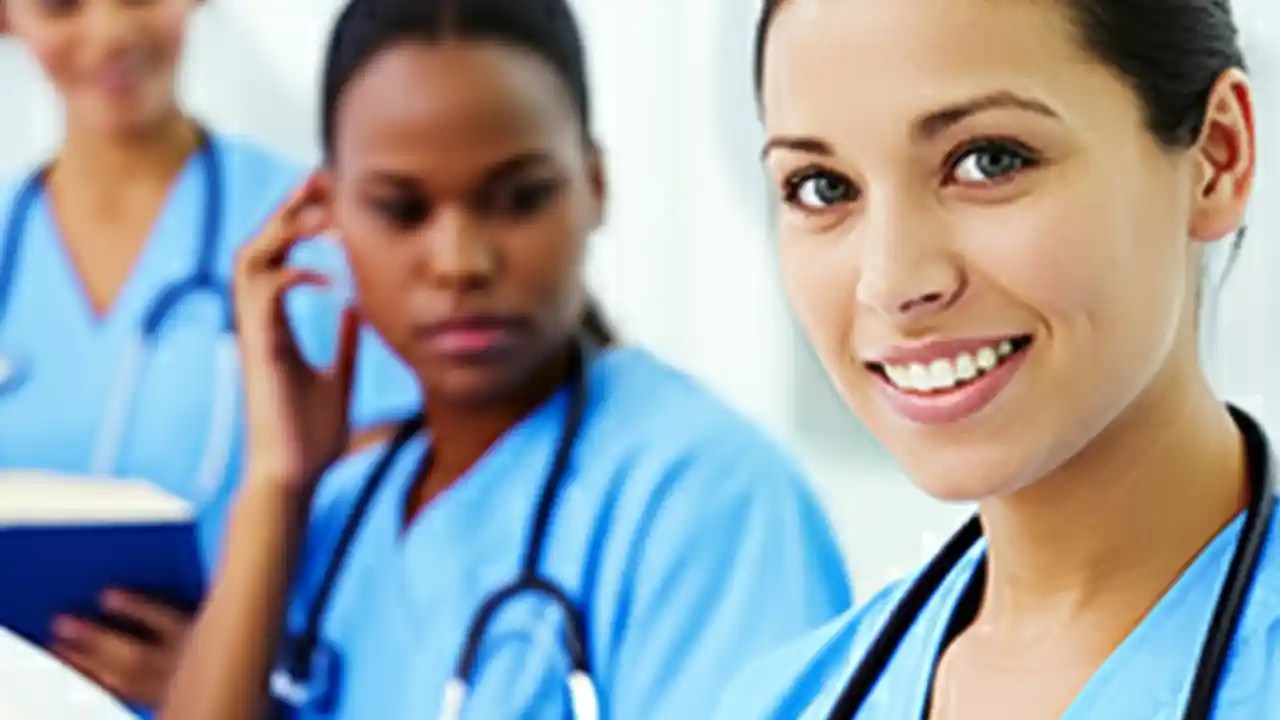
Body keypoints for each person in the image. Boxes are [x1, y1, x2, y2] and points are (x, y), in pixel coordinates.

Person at [161, 0, 854, 718]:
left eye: (520, 198)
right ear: (327, 212)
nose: (461, 262)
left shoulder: (709, 498)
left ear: (595, 186)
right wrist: (278, 482)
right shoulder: (338, 512)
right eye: (403, 209)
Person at [716, 0, 1278, 717]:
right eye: (823, 187)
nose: (892, 283)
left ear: (1217, 160)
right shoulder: (780, 701)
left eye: (989, 161)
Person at [0, 0, 417, 712]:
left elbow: (395, 559)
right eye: (61, 5)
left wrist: (231, 671)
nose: (110, 34)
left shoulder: (310, 229)